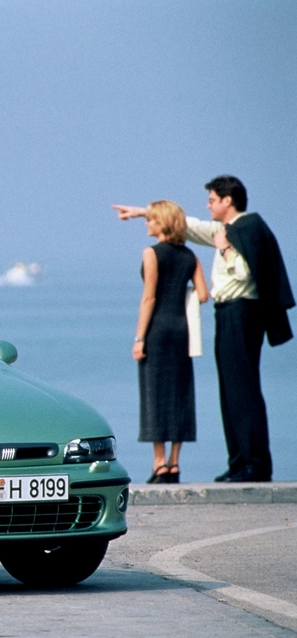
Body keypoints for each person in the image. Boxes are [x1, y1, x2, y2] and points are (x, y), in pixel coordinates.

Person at [114, 176, 294, 482]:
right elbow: (189, 226)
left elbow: (250, 273)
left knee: (243, 388)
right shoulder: (226, 231)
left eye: (211, 200)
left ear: (227, 200)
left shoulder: (248, 229)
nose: (208, 205)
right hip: (226, 312)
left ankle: (255, 464)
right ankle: (239, 461)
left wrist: (224, 250)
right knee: (230, 389)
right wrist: (145, 212)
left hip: (243, 310)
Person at [123, 200, 208, 483]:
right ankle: (174, 462)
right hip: (182, 331)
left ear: (161, 223)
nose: (146, 223)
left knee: (155, 394)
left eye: (151, 219)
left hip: (157, 330)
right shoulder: (190, 255)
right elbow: (204, 294)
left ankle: (158, 463)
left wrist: (139, 338)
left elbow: (149, 297)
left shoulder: (151, 253)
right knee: (181, 393)